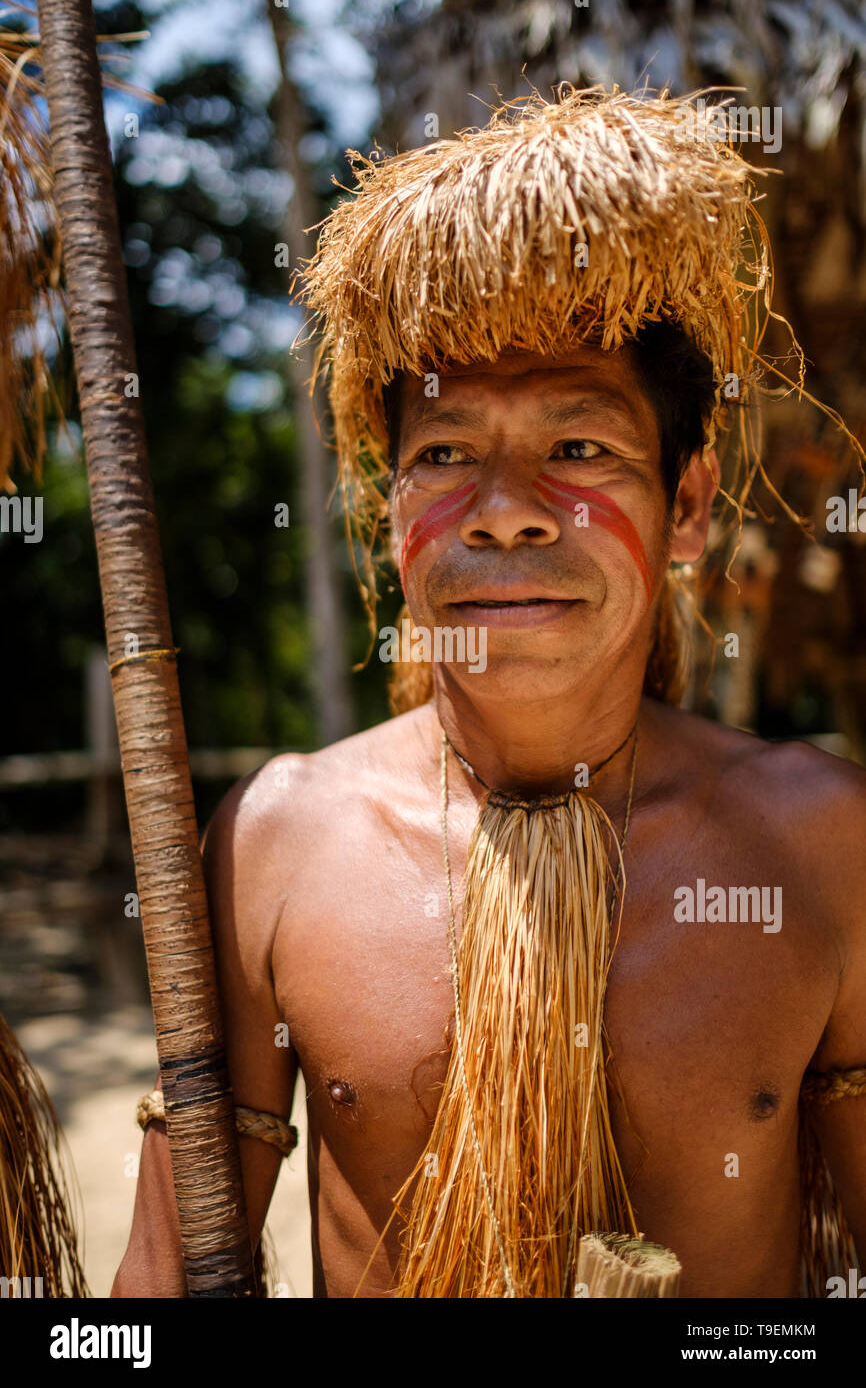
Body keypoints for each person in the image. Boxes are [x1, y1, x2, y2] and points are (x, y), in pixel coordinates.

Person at [113, 86, 866, 1299]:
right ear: (392, 510)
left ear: (683, 504)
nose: (504, 508)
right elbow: (154, 1295)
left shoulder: (822, 842)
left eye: (578, 450)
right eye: (446, 456)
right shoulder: (276, 841)